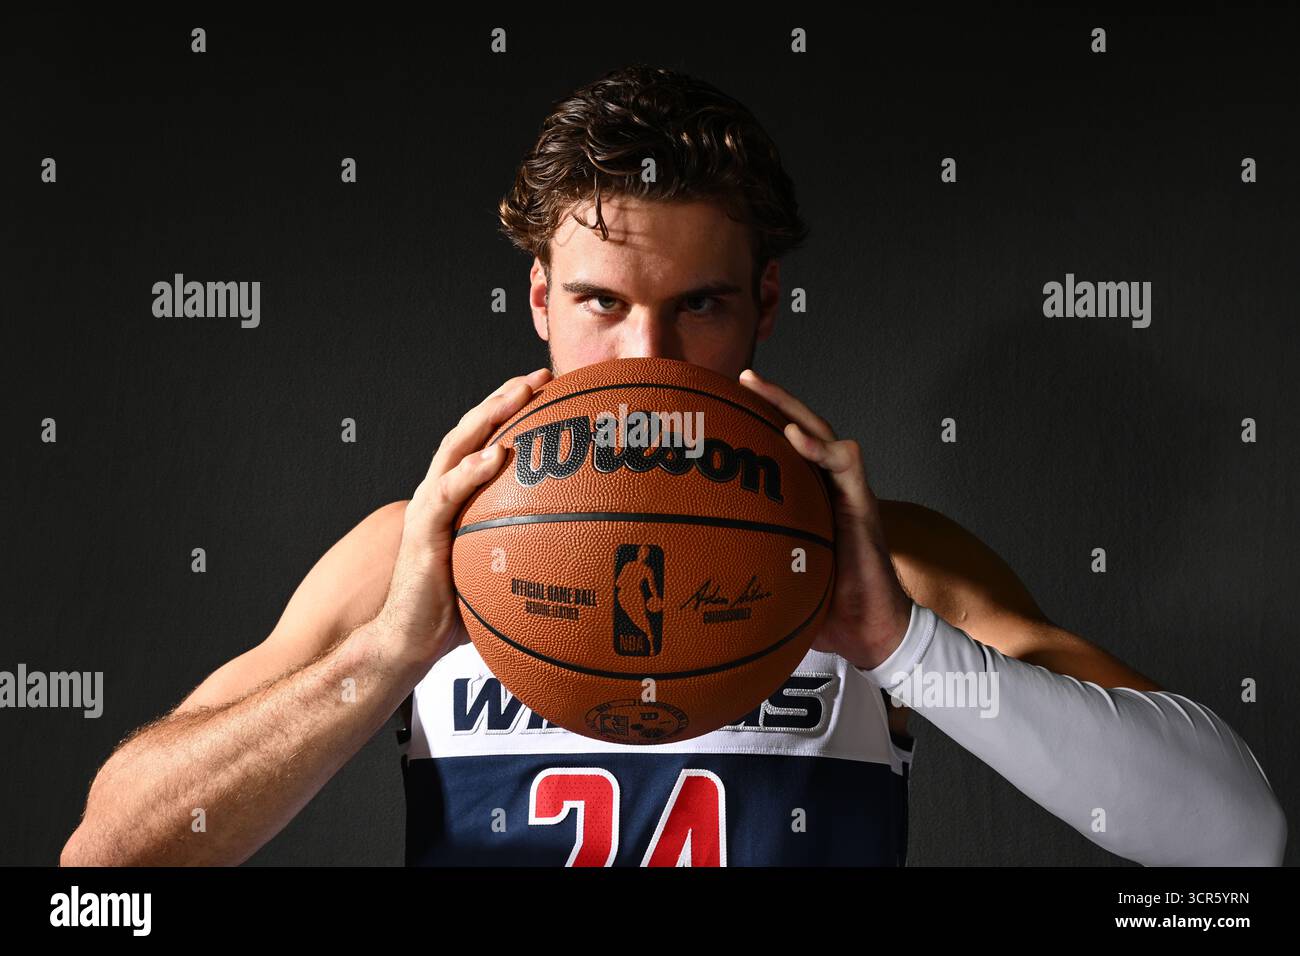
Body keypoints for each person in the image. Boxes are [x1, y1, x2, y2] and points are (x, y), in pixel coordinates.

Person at [61, 65, 1286, 867]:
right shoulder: (413, 556)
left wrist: (907, 648)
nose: (647, 357)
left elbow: (1238, 842)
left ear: (763, 304)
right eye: (600, 301)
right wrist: (387, 655)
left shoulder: (879, 563)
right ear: (540, 300)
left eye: (697, 304)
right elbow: (101, 871)